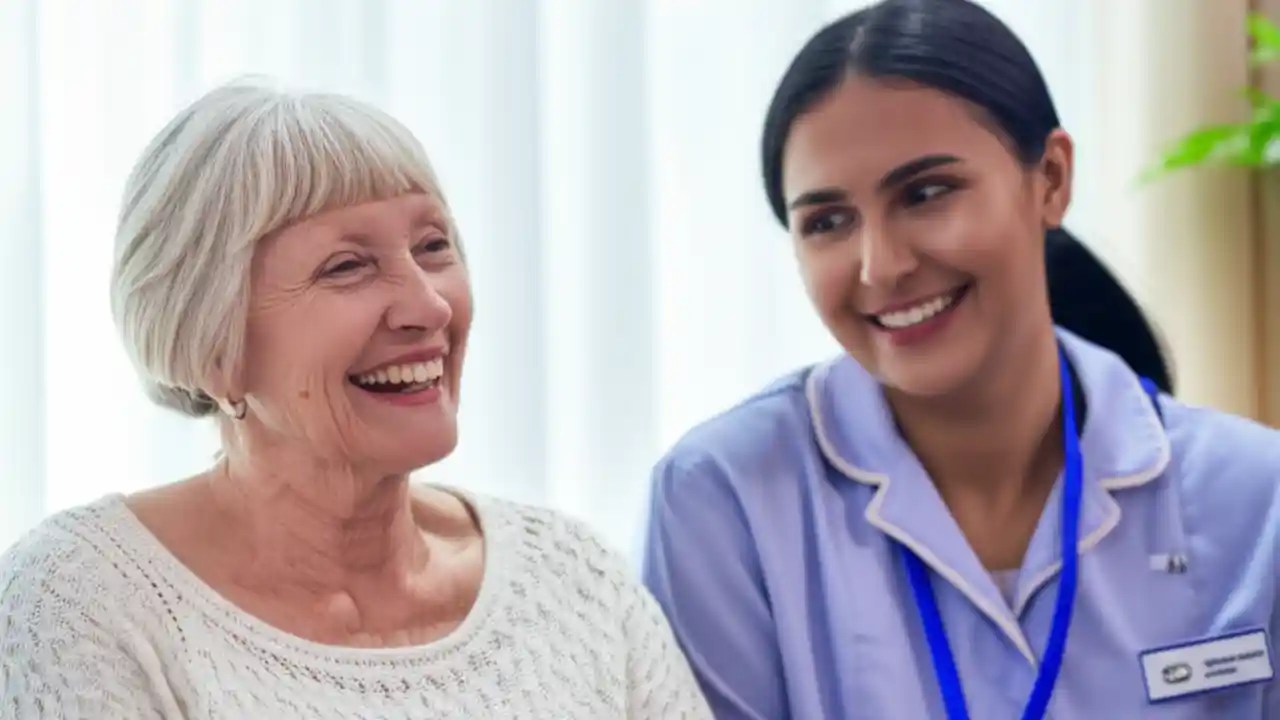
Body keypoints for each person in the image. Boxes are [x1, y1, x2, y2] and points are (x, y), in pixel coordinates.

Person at [641, 1, 1279, 718]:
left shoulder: (1258, 501)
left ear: (1051, 180)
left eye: (927, 193)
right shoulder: (723, 500)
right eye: (827, 221)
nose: (880, 266)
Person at [0, 81, 711, 719]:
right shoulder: (82, 598)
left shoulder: (570, 576)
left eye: (433, 246)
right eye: (348, 266)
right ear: (209, 337)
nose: (429, 306)